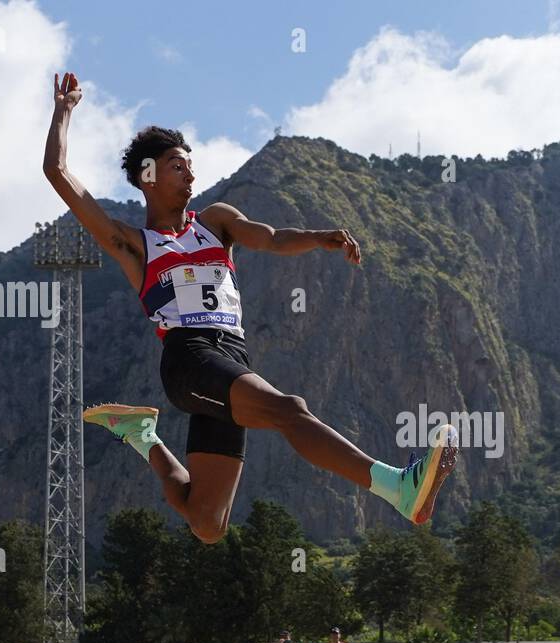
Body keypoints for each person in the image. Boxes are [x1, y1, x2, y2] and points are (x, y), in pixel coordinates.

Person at [43, 73, 458, 548]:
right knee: (288, 409)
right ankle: (397, 487)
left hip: (230, 361)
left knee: (207, 523)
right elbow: (57, 172)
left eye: (191, 165)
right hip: (190, 357)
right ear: (149, 176)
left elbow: (272, 237)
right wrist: (65, 110)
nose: (191, 174)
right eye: (178, 165)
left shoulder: (216, 222)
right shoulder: (135, 245)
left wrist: (317, 237)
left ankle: (141, 436)